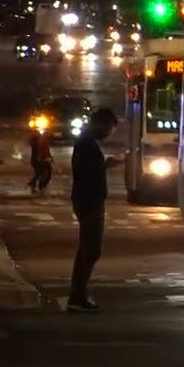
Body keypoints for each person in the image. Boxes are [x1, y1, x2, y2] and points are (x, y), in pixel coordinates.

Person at [68, 107, 119, 313]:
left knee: (89, 248)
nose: (108, 134)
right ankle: (77, 294)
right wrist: (104, 165)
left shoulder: (86, 142)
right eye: (108, 129)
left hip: (88, 199)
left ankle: (78, 293)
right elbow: (85, 171)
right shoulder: (86, 144)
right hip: (89, 201)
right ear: (101, 124)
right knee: (90, 248)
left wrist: (104, 165)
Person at [27, 130, 53, 194]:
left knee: (39, 173)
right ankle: (39, 185)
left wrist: (50, 157)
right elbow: (42, 152)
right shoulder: (41, 142)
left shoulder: (42, 141)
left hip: (39, 160)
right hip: (40, 160)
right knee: (43, 172)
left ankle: (35, 184)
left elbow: (46, 151)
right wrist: (45, 158)